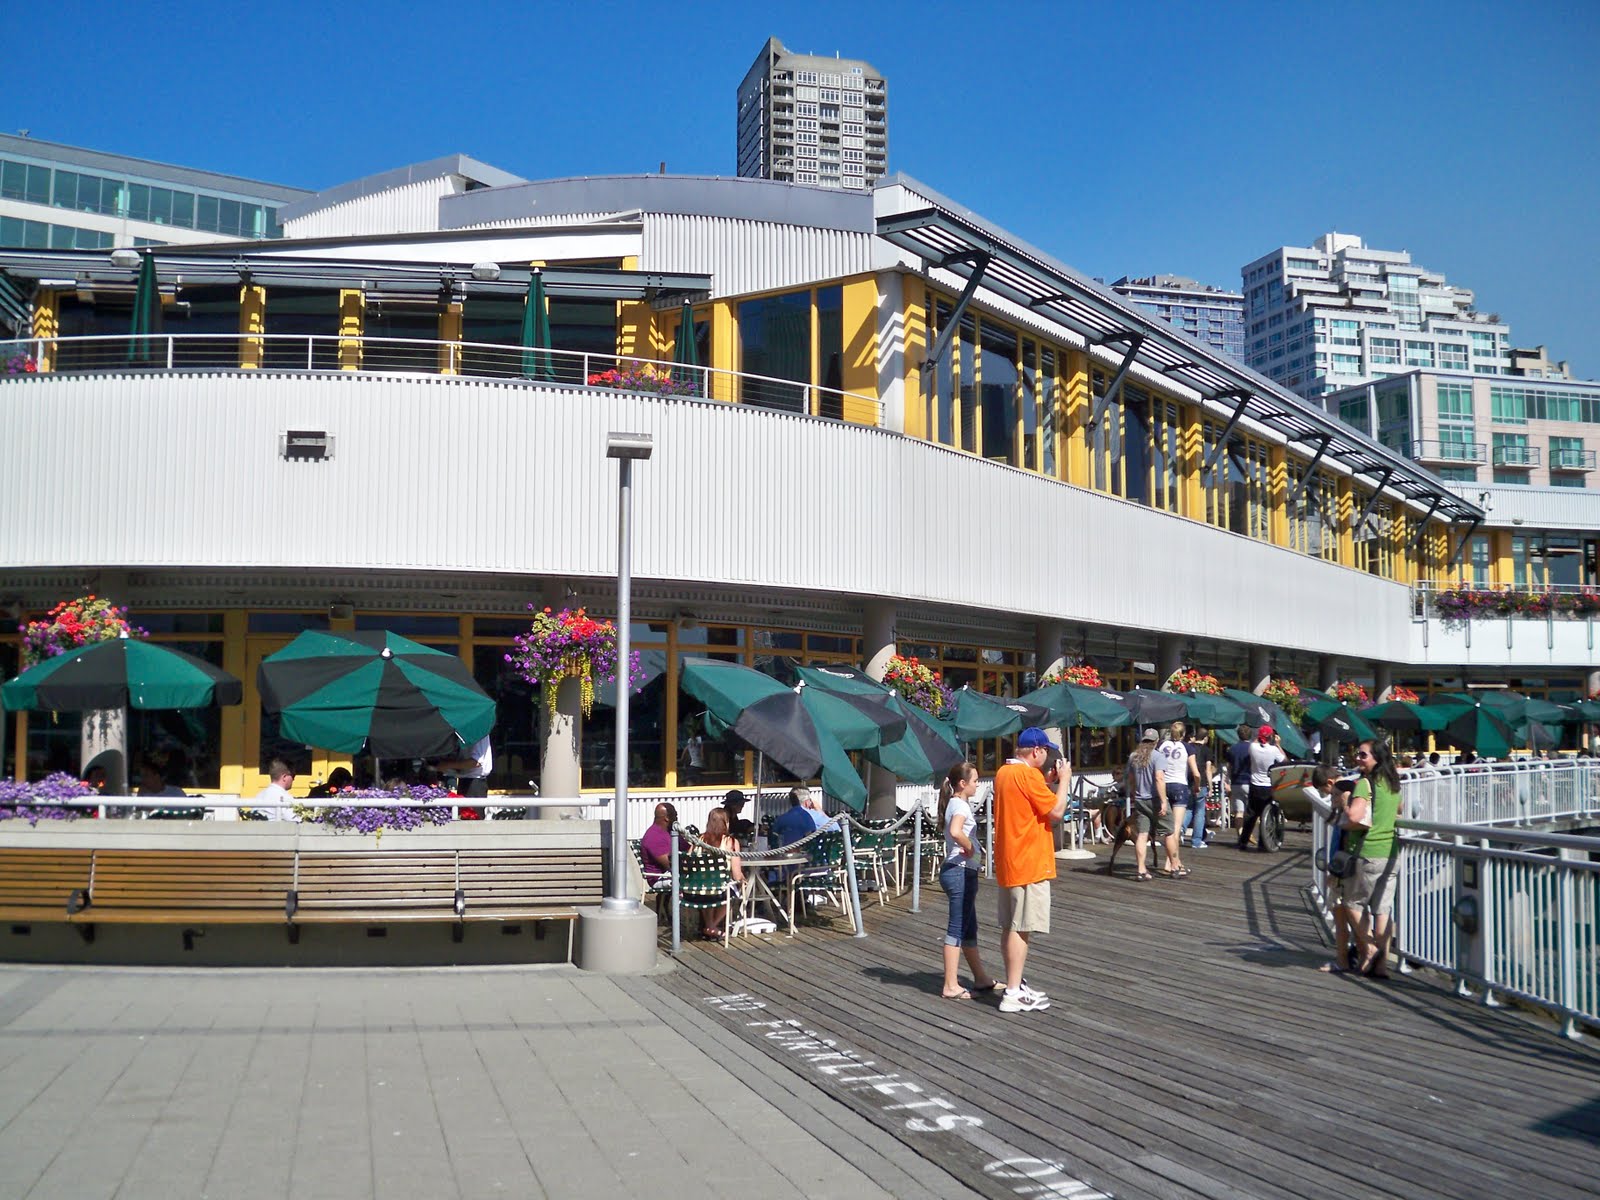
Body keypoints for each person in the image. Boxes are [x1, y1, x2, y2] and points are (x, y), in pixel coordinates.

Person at [993, 727, 1070, 1014]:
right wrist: (1064, 783)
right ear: (1036, 751)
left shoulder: (1004, 772)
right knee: (1021, 927)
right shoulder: (1026, 775)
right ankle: (1012, 991)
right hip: (1028, 861)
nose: (1049, 757)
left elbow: (1029, 801)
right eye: (1046, 751)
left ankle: (1014, 982)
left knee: (1011, 925)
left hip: (1010, 858)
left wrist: (1047, 782)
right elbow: (1056, 812)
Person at [937, 761, 1001, 1000]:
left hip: (961, 871)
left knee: (968, 925)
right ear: (962, 784)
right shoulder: (960, 806)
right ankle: (950, 984)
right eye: (975, 780)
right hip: (959, 871)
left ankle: (980, 977)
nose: (978, 784)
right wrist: (969, 847)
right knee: (956, 927)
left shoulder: (956, 803)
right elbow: (955, 831)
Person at [1345, 739, 1403, 980]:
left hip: (1368, 850)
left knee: (1352, 904)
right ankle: (1381, 968)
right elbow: (1399, 809)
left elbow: (1355, 817)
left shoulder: (1365, 784)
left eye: (1363, 755)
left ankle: (1369, 948)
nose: (1358, 758)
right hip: (1390, 852)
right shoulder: (1393, 783)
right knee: (1382, 910)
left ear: (1376, 759)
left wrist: (1342, 817)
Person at [1122, 728, 1171, 881]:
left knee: (1142, 835)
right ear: (1156, 742)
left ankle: (1141, 870)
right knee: (1169, 831)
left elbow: (1130, 778)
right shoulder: (1158, 756)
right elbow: (1159, 779)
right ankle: (1174, 865)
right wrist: (1164, 801)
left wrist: (1133, 792)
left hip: (1140, 799)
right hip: (1154, 799)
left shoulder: (1133, 756)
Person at [698, 808, 745, 940]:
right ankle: (712, 926)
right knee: (735, 890)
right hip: (720, 889)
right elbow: (736, 875)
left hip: (697, 889)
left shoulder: (699, 840)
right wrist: (743, 880)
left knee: (708, 889)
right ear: (726, 823)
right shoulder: (730, 842)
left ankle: (709, 925)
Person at [1153, 722, 1192, 877]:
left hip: (1164, 785)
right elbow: (1195, 772)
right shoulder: (1188, 748)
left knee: (1166, 828)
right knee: (1175, 829)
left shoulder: (1162, 745)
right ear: (1183, 735)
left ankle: (1171, 862)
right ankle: (1173, 863)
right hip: (1180, 785)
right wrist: (1197, 784)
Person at [1237, 725, 1285, 850]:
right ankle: (1264, 843)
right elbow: (1284, 760)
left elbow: (1254, 742)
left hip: (1255, 784)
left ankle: (1243, 840)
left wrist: (1260, 737)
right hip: (1268, 785)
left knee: (1251, 814)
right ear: (1271, 737)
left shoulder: (1252, 747)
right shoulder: (1274, 750)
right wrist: (1278, 744)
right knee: (1269, 813)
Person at [1184, 728, 1216, 848]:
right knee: (1199, 812)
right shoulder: (1207, 750)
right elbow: (1208, 770)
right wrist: (1210, 786)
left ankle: (1179, 832)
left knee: (1188, 809)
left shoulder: (1188, 747)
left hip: (1188, 782)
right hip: (1201, 782)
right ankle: (1196, 840)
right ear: (1206, 738)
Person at [639, 802, 684, 883]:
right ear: (667, 818)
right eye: (675, 815)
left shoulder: (671, 832)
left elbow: (687, 847)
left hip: (673, 873)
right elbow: (671, 865)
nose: (676, 818)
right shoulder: (653, 836)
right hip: (660, 877)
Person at [437, 734, 492, 799]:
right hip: (464, 780)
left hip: (475, 783)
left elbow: (476, 762)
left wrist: (447, 765)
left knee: (470, 809)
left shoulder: (479, 731)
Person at [1225, 724, 1254, 833]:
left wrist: (1227, 781)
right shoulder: (1253, 748)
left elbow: (1229, 767)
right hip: (1250, 781)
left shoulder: (1232, 749)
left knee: (1239, 812)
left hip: (1236, 782)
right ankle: (1247, 834)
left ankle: (1240, 836)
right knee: (1251, 812)